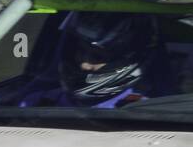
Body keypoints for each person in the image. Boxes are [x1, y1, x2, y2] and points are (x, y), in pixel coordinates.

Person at [17, 11, 162, 108]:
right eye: (80, 51)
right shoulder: (37, 102)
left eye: (97, 57)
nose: (84, 64)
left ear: (126, 61)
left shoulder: (144, 112)